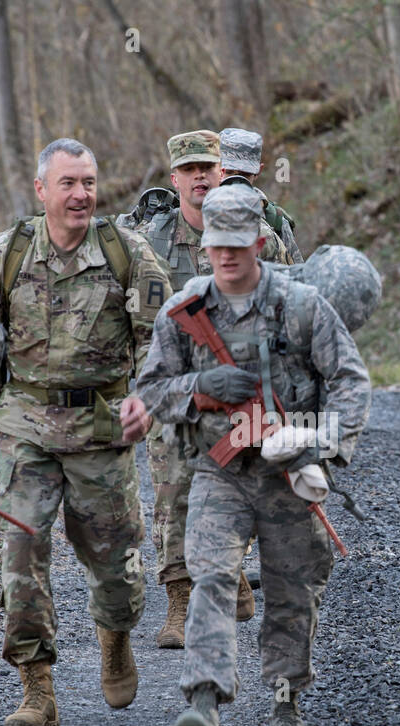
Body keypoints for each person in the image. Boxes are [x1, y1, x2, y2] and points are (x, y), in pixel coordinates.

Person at [137, 184, 372, 726]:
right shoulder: (185, 308)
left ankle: (287, 707)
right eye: (217, 245)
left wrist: (317, 440)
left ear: (261, 243)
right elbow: (149, 393)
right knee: (211, 577)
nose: (227, 256)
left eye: (239, 245)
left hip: (288, 474)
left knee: (293, 592)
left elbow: (351, 381)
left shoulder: (299, 305)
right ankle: (204, 705)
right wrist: (199, 389)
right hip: (218, 472)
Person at [0, 138, 171, 726]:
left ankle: (115, 637)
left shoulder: (127, 251)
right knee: (21, 553)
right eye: (68, 183)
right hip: (25, 424)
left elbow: (164, 338)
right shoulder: (6, 254)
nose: (81, 194)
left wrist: (146, 397)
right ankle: (38, 689)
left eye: (89, 183)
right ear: (42, 190)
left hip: (102, 425)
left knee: (116, 568)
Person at [118, 130, 292, 648]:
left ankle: (231, 569)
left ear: (223, 174)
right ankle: (177, 601)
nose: (199, 177)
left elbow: (289, 306)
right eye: (188, 169)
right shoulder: (147, 242)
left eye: (207, 168)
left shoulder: (257, 234)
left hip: (240, 390)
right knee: (173, 493)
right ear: (174, 180)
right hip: (175, 390)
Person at [219, 126, 305, 262]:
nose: (236, 182)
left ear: (258, 171)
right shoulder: (195, 213)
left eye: (244, 175)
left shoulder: (275, 221)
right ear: (217, 169)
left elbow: (295, 274)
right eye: (229, 173)